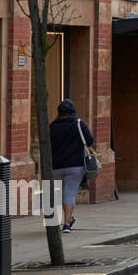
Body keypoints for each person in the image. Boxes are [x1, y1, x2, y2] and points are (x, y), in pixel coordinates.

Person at [50, 98, 93, 232]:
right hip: (75, 166)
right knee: (69, 193)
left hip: (57, 166)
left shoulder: (52, 126)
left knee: (63, 193)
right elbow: (90, 141)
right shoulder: (79, 124)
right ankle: (67, 224)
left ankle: (66, 219)